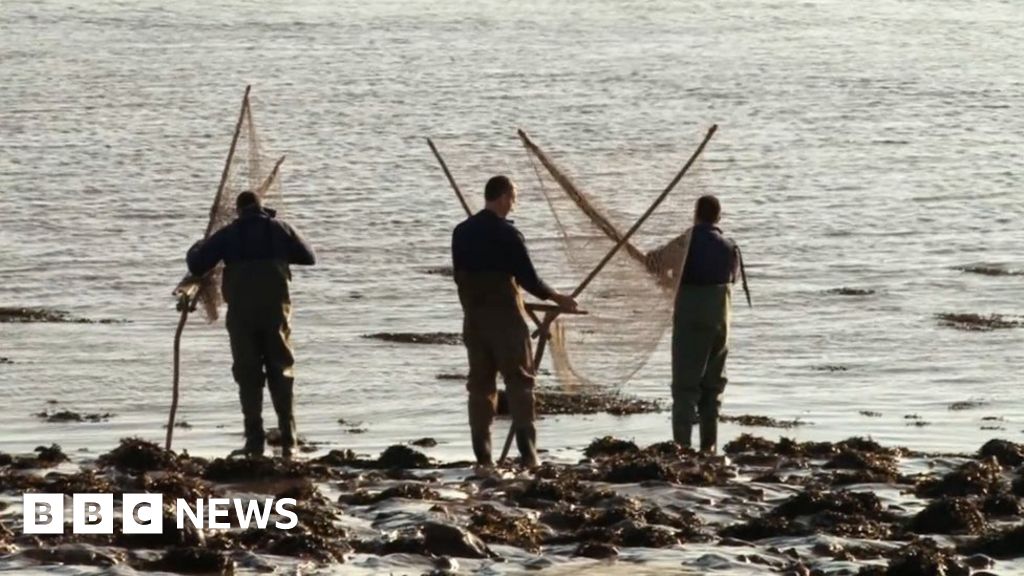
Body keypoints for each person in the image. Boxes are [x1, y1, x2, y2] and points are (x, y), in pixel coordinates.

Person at [451, 175, 577, 468]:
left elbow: (460, 276)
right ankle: (529, 456)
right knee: (520, 382)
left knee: (480, 386)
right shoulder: (509, 234)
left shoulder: (461, 232)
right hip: (506, 322)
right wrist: (557, 297)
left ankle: (483, 459)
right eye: (513, 198)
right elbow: (529, 279)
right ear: (504, 197)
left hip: (474, 321)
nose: (514, 204)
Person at [186, 191, 316, 459]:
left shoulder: (228, 234)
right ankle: (289, 440)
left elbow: (197, 265)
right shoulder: (279, 228)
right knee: (281, 369)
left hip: (242, 317)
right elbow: (308, 256)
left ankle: (254, 442)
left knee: (248, 374)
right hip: (275, 313)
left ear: (238, 210)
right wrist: (277, 250)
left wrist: (199, 245)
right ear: (261, 207)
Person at [646, 194, 739, 454]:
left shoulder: (686, 242)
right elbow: (732, 278)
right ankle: (709, 447)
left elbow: (653, 261)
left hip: (691, 319)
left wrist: (666, 279)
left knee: (685, 387)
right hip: (721, 321)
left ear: (695, 214)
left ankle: (682, 448)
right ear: (719, 217)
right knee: (713, 386)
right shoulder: (730, 246)